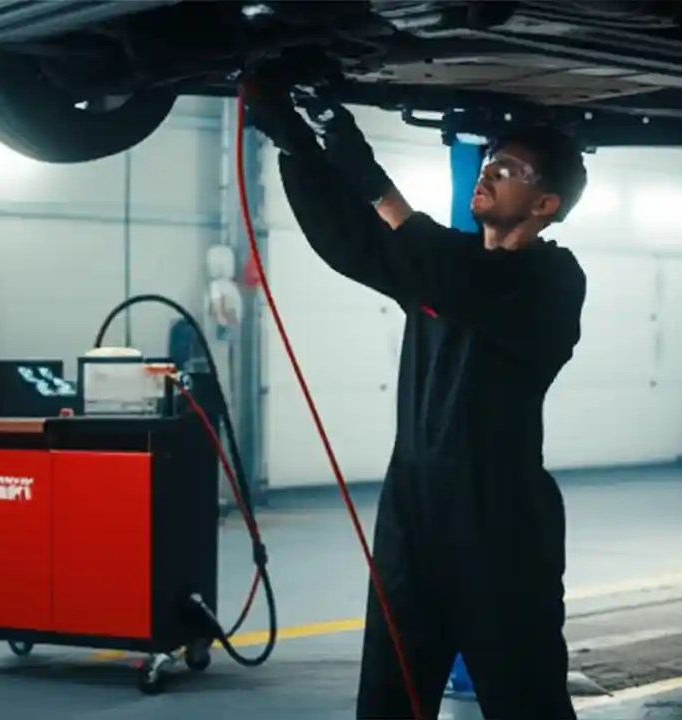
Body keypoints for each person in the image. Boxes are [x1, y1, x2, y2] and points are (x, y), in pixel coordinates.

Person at [246, 82, 589, 720]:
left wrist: (369, 173)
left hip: (501, 521)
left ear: (545, 203)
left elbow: (458, 278)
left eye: (510, 168)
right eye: (490, 159)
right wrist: (293, 142)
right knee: (389, 696)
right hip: (414, 512)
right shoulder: (445, 265)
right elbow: (351, 242)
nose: (489, 170)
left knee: (525, 699)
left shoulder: (552, 281)